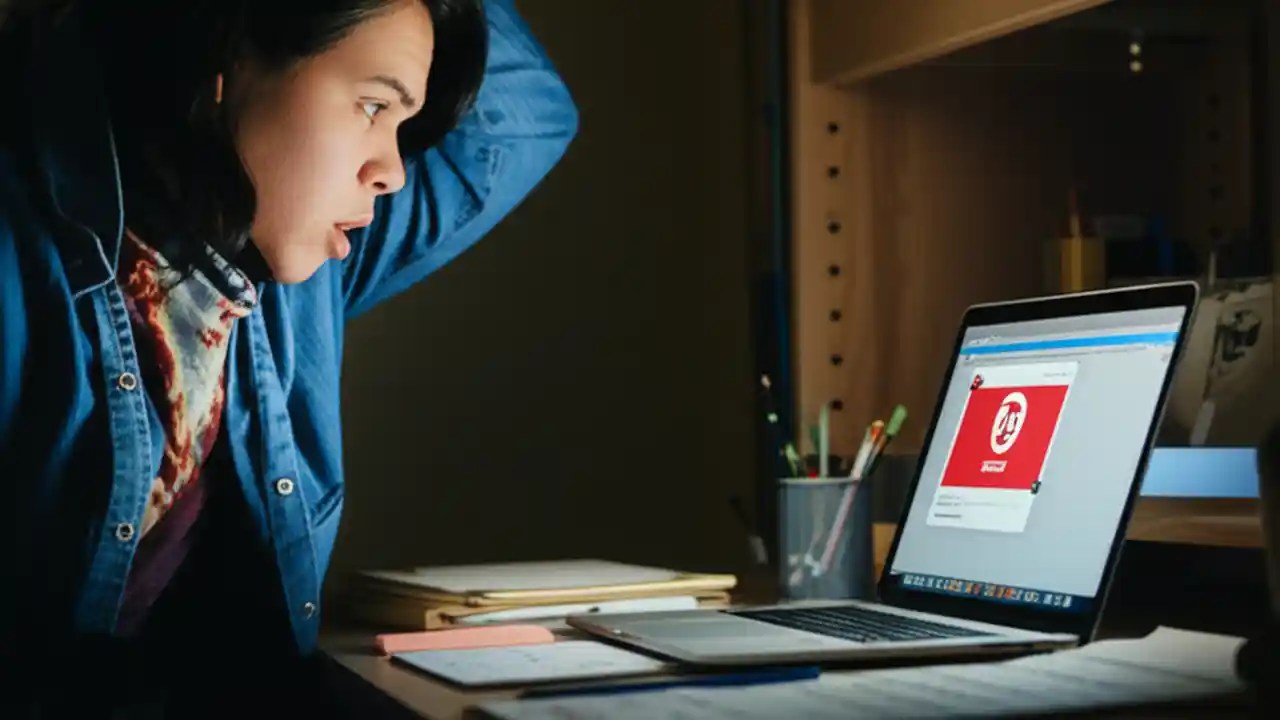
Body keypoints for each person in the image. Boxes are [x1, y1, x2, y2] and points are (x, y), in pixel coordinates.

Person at [0, 0, 577, 715]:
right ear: (225, 63)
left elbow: (526, 117)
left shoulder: (299, 272)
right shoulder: (23, 258)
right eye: (371, 105)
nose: (393, 170)